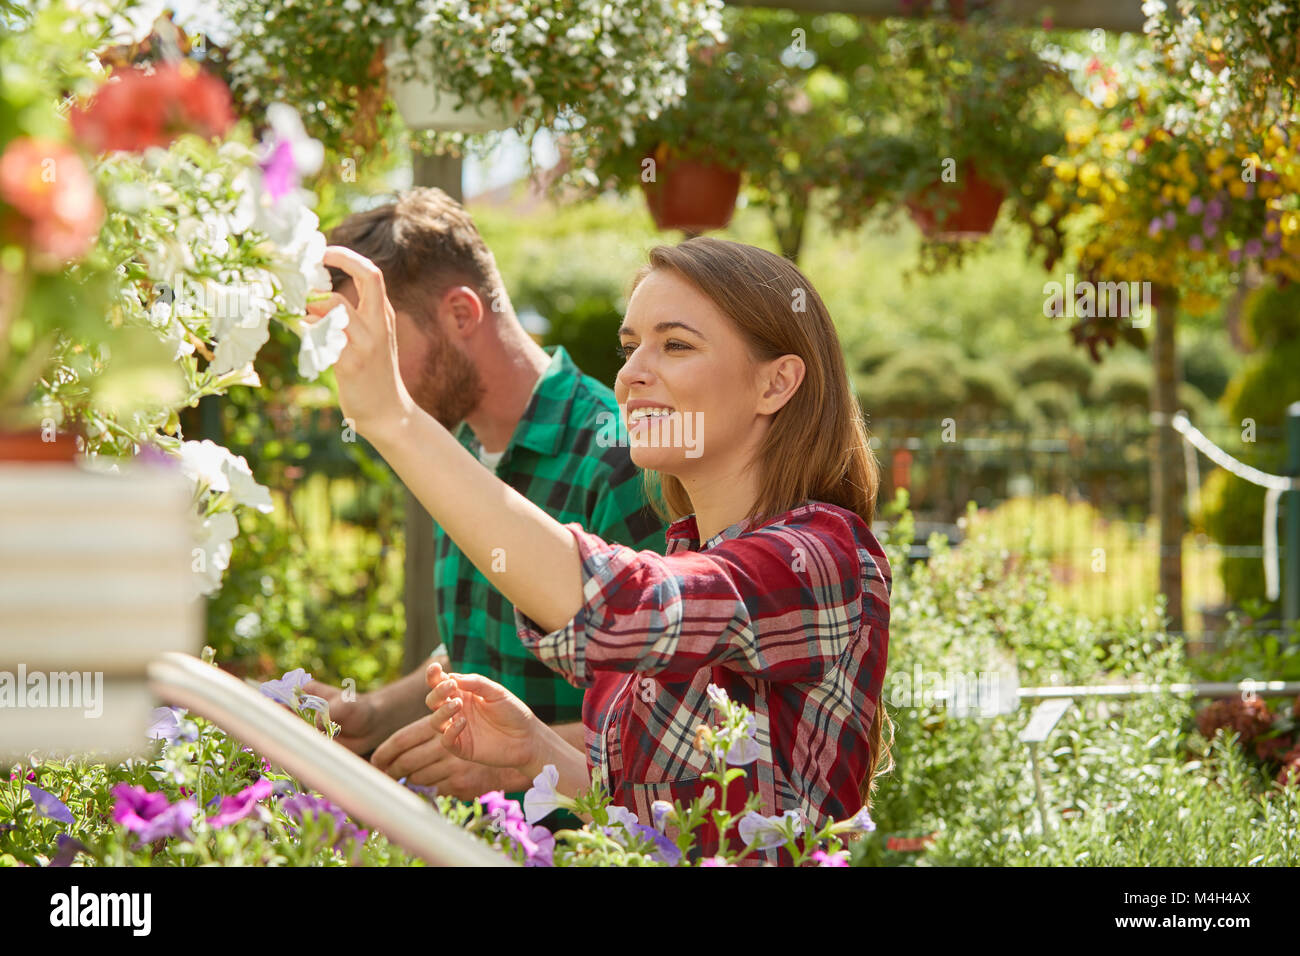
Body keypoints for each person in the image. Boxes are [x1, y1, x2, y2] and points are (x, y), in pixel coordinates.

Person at [308, 235, 893, 866]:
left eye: (675, 345)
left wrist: (393, 419)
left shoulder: (822, 556)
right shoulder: (693, 551)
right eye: (630, 346)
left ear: (776, 383)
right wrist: (538, 753)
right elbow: (672, 817)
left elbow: (622, 602)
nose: (631, 372)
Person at [301, 188, 667, 810]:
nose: (350, 365)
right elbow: (484, 646)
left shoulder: (621, 457)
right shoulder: (459, 449)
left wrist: (520, 759)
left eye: (372, 337)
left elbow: (672, 718)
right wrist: (372, 711)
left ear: (462, 314)